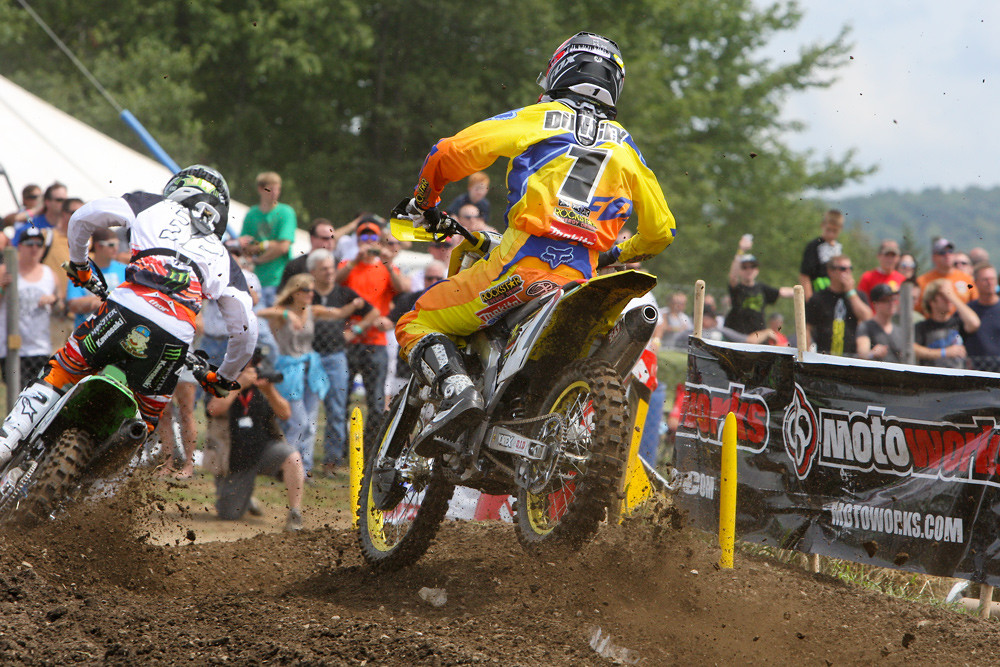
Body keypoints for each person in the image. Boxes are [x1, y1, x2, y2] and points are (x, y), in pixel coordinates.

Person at [396, 32, 675, 449]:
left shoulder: (543, 117)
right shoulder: (627, 147)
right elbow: (661, 231)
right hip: (581, 279)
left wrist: (424, 201)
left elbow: (448, 152)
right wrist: (619, 252)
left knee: (416, 320)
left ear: (559, 68)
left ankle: (457, 389)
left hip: (521, 266)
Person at [0, 164, 259, 469]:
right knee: (144, 424)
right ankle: (101, 497)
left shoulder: (152, 204)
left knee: (63, 371)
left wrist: (80, 264)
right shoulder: (224, 257)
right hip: (174, 339)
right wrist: (223, 377)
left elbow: (84, 216)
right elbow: (245, 330)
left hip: (126, 310)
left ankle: (6, 443)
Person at [257, 272, 367, 476]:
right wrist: (286, 315)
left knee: (310, 422)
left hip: (310, 368)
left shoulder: (312, 310)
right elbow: (260, 312)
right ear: (295, 292)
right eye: (306, 290)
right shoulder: (281, 312)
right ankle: (286, 465)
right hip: (289, 370)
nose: (310, 294)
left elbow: (338, 313)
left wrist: (354, 306)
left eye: (311, 290)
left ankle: (303, 467)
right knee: (298, 422)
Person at [207, 356, 305, 532]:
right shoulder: (223, 381)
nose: (254, 371)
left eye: (256, 365)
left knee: (293, 457)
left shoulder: (261, 389)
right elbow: (214, 409)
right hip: (233, 458)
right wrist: (239, 385)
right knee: (229, 514)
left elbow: (285, 413)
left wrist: (269, 391)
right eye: (250, 366)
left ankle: (295, 513)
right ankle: (245, 498)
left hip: (263, 450)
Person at [307, 249, 384, 474]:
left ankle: (331, 463)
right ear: (313, 272)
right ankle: (303, 463)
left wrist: (356, 330)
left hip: (335, 355)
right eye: (324, 269)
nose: (330, 272)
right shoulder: (306, 292)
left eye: (332, 268)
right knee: (307, 412)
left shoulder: (343, 293)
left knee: (337, 410)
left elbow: (373, 311)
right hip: (309, 356)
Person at [334, 220, 410, 421]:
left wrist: (387, 263)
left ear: (378, 241)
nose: (368, 241)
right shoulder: (348, 265)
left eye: (372, 237)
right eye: (364, 237)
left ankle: (370, 449)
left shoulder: (386, 267)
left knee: (376, 402)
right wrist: (354, 260)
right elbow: (334, 281)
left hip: (375, 341)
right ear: (358, 241)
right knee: (342, 400)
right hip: (349, 339)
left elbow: (403, 288)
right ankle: (341, 451)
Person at [0, 227, 58, 385]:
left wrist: (54, 300)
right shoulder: (6, 270)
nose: (34, 248)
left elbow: (60, 309)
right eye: (29, 243)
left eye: (39, 244)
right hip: (12, 348)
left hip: (41, 347)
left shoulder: (50, 274)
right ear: (20, 246)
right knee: (16, 394)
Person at [239, 171, 297, 307]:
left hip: (278, 281)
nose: (274, 193)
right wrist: (269, 245)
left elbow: (283, 247)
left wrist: (258, 256)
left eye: (277, 189)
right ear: (260, 189)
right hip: (254, 282)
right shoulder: (252, 214)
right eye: (270, 189)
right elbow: (244, 246)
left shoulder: (286, 212)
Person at [805, 255, 873, 356]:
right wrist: (807, 354)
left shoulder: (858, 296)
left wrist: (850, 292)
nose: (847, 272)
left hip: (851, 359)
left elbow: (868, 318)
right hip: (824, 357)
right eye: (842, 269)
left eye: (850, 268)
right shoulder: (818, 298)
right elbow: (808, 329)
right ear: (830, 271)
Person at [726, 234, 793, 335]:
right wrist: (741, 250)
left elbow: (782, 292)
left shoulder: (762, 288)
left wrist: (805, 292)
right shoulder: (737, 288)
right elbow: (733, 277)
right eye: (744, 267)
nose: (749, 270)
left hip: (758, 336)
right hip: (737, 335)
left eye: (752, 266)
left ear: (757, 270)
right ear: (740, 270)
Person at [65, 227, 127, 327]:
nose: (116, 248)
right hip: (87, 334)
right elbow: (72, 304)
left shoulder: (124, 270)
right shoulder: (81, 271)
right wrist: (94, 303)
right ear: (98, 246)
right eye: (111, 245)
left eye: (117, 244)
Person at [914, 278, 979, 368]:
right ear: (932, 301)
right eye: (944, 296)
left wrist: (953, 297)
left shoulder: (958, 323)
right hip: (931, 378)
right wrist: (944, 352)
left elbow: (974, 323)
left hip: (958, 378)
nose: (948, 300)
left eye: (949, 295)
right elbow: (913, 349)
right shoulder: (922, 327)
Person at [915, 238, 977, 316]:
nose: (947, 255)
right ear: (934, 257)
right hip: (933, 326)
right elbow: (917, 310)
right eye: (942, 253)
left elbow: (976, 303)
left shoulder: (967, 280)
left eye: (950, 251)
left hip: (962, 326)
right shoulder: (922, 281)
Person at [277, 219, 337, 291]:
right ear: (312, 239)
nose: (330, 242)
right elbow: (283, 294)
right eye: (325, 238)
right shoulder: (294, 266)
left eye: (332, 238)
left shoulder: (338, 264)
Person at [798, 209, 844, 300]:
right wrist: (809, 300)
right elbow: (804, 275)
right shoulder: (813, 246)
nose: (831, 234)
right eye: (828, 230)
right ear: (822, 226)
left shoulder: (839, 247)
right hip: (817, 294)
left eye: (835, 231)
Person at [962, 263, 1000, 372]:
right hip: (976, 373)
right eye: (985, 279)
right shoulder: (969, 310)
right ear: (976, 283)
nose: (990, 283)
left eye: (992, 279)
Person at [856, 284, 906, 362]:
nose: (891, 303)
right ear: (875, 304)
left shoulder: (899, 330)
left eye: (893, 299)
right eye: (885, 300)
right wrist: (872, 354)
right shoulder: (866, 327)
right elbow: (862, 353)